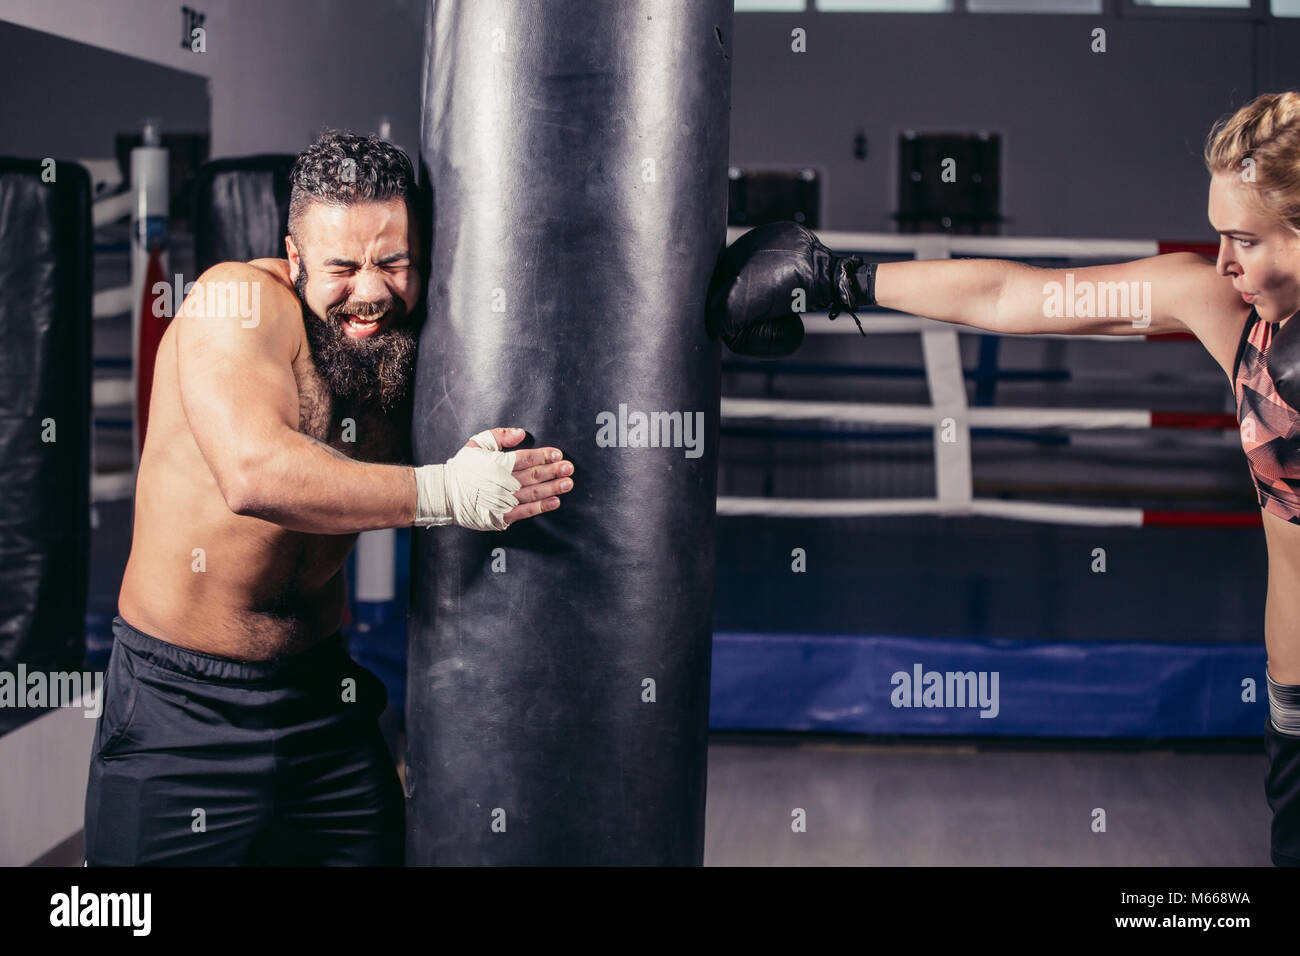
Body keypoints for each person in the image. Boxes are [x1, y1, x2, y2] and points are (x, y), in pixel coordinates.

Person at [709, 91, 1300, 867]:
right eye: (1220, 235)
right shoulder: (1223, 307)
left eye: (1247, 241)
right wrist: (837, 279)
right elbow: (1017, 295)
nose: (1225, 260)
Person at [84, 129, 576, 865]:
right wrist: (447, 491)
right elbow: (256, 474)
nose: (371, 291)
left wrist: (707, 298)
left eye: (393, 263)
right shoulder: (237, 301)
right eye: (341, 267)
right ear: (294, 259)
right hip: (180, 711)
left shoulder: (404, 343)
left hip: (320, 697)